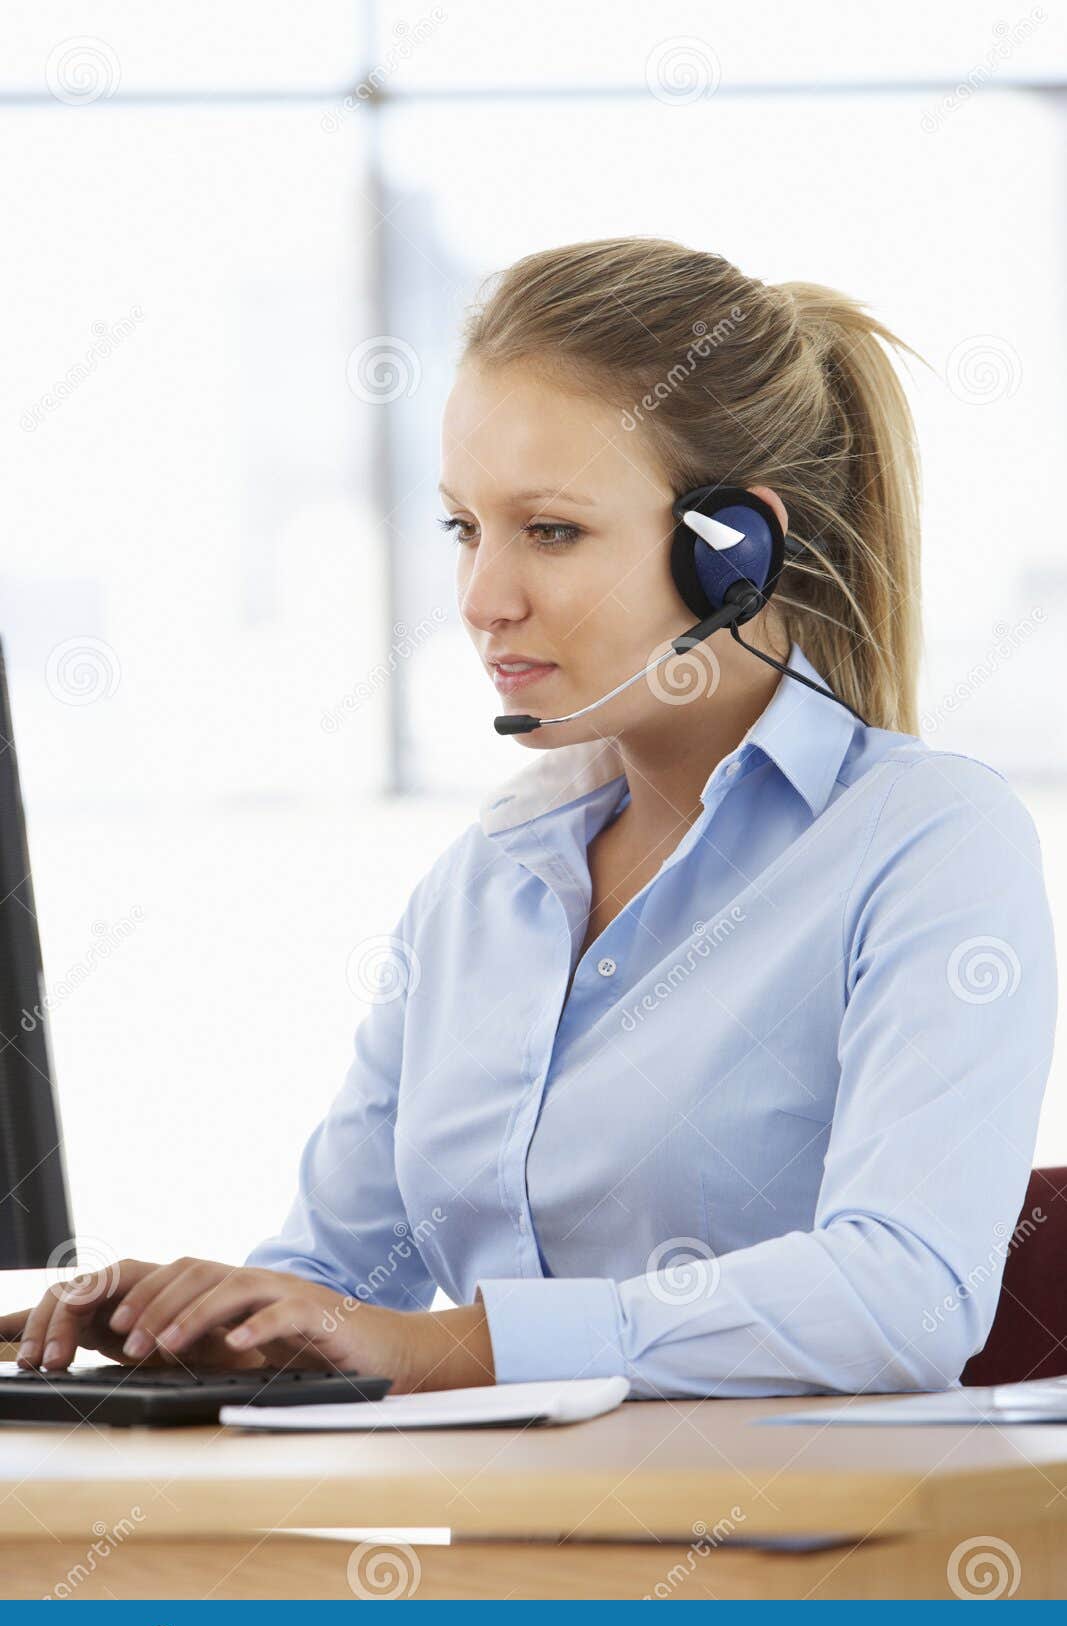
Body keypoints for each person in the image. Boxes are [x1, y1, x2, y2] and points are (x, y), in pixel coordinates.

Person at [2, 238, 1057, 1399]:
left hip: (790, 1564)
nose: (479, 600)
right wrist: (209, 1322)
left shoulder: (923, 840)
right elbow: (337, 1273)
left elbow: (901, 1295)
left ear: (730, 555)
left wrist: (444, 1348)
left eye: (548, 530)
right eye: (463, 527)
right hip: (489, 1557)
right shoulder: (483, 884)